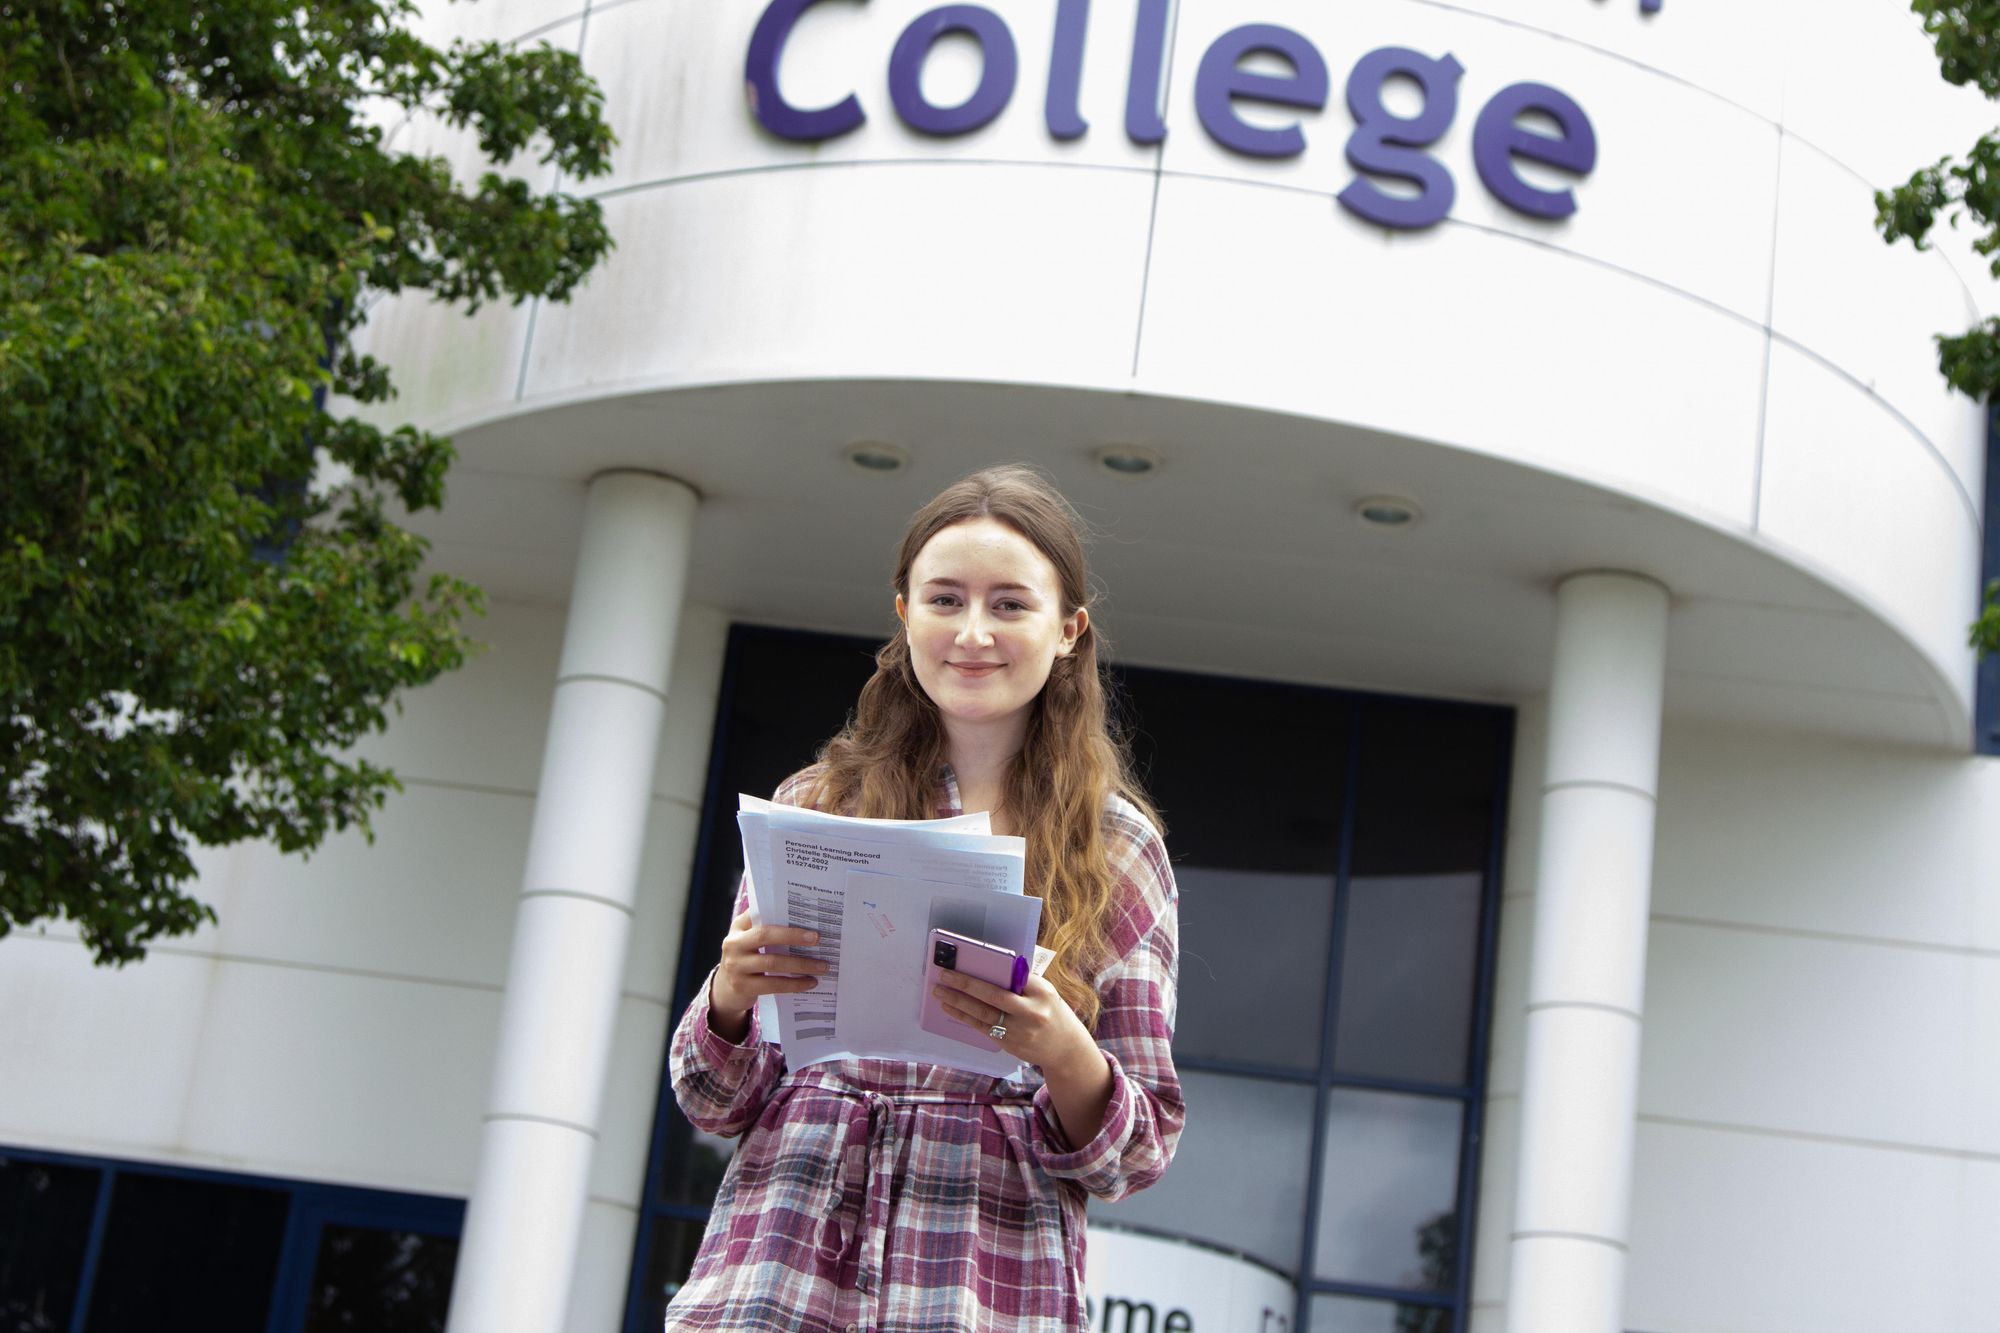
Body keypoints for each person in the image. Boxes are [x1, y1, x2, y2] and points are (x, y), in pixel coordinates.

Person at [663, 464, 1184, 1332]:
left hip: (981, 1282)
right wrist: (729, 997)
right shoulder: (815, 807)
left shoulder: (1120, 848)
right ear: (905, 616)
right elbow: (712, 1102)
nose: (973, 632)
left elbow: (1139, 1150)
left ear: (1068, 630)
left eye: (1010, 604)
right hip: (779, 1270)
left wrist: (1062, 1050)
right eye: (945, 599)